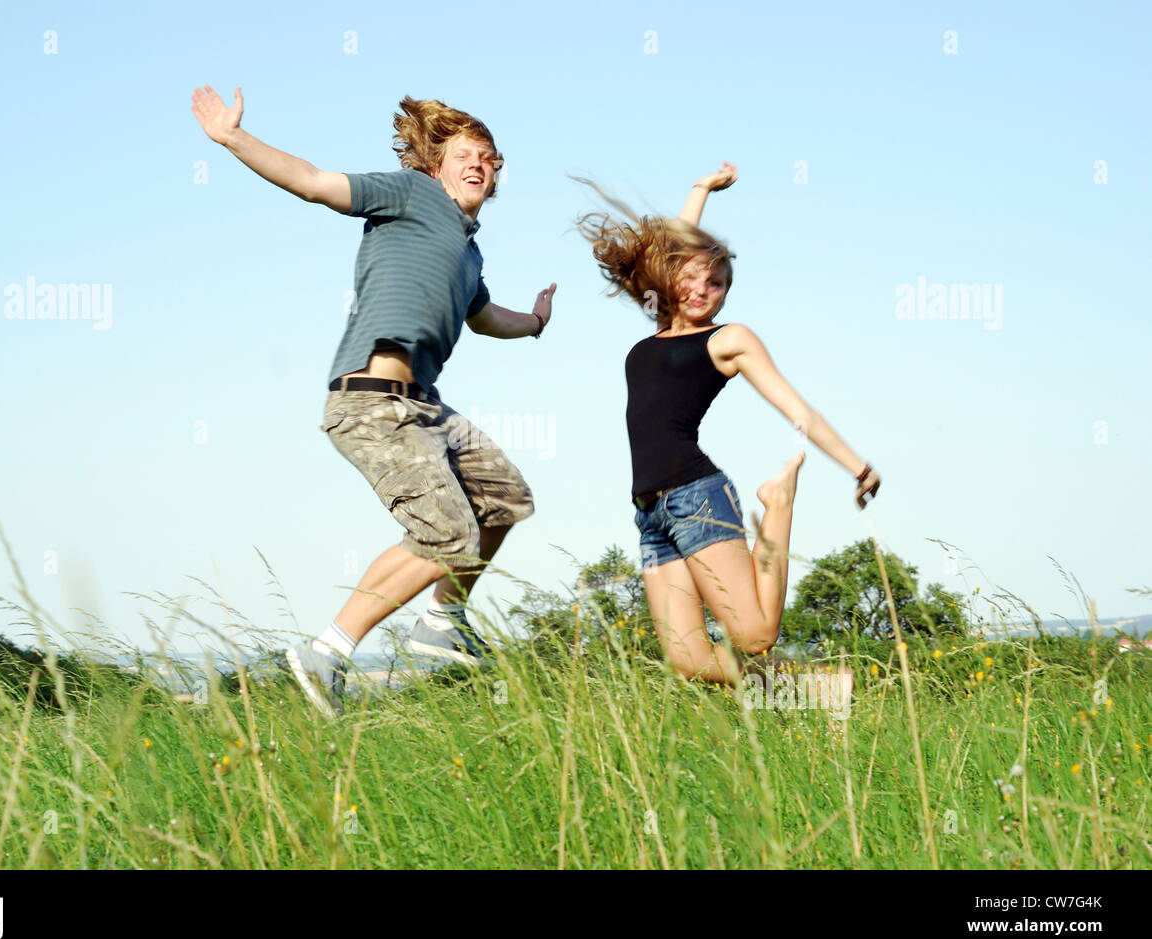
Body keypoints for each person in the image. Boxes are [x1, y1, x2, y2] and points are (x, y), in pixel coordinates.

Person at [191, 86, 555, 716]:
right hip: (370, 400)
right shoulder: (410, 195)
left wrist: (536, 321)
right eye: (467, 153)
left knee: (504, 498)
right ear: (436, 163)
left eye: (490, 159)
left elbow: (484, 315)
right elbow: (311, 181)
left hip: (426, 407)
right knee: (445, 531)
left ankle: (444, 619)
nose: (480, 164)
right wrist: (233, 138)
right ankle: (326, 652)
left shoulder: (468, 251)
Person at [575, 163, 880, 685]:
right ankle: (820, 688)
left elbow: (799, 409)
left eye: (714, 282)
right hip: (649, 511)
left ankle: (778, 504)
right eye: (690, 277)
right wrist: (699, 189)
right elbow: (672, 247)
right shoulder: (659, 330)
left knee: (755, 636)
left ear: (726, 292)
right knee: (688, 662)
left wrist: (859, 467)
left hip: (696, 496)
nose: (701, 289)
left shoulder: (727, 340)